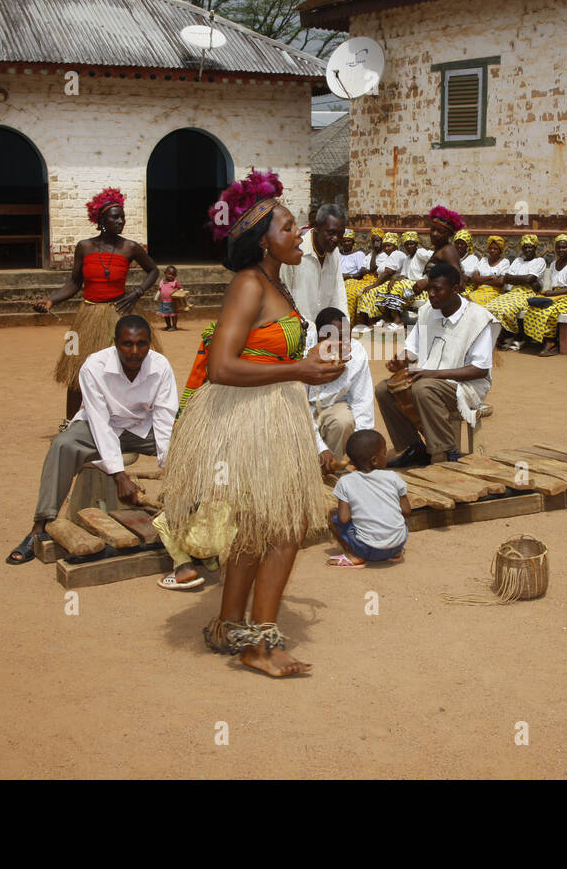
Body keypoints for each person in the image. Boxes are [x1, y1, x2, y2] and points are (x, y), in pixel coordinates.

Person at [163, 168, 346, 677]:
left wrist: (308, 360)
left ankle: (228, 625)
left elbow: (262, 352)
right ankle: (261, 646)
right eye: (286, 228)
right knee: (285, 527)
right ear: (261, 240)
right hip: (248, 418)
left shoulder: (274, 283)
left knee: (257, 525)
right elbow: (221, 366)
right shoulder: (249, 283)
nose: (298, 235)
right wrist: (299, 369)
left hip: (269, 414)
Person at [5, 315, 178, 564]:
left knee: (185, 445)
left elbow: (164, 419)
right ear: (115, 342)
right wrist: (120, 476)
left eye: (141, 344)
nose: (134, 351)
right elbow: (100, 422)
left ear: (150, 344)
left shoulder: (160, 366)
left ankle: (186, 517)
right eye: (127, 344)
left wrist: (168, 462)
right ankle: (39, 527)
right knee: (63, 445)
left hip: (142, 429)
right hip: (97, 427)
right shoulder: (94, 366)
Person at [36, 188, 162, 427]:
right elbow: (74, 282)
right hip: (89, 315)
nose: (120, 221)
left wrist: (137, 293)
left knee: (128, 366)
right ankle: (71, 422)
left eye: (122, 217)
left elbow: (153, 270)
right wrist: (51, 300)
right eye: (115, 217)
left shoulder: (130, 247)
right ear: (101, 221)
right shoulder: (84, 247)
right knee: (77, 367)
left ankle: (129, 421)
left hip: (120, 314)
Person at [377, 263, 500, 467]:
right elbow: (413, 349)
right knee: (384, 389)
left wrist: (433, 374)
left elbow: (480, 369)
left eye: (437, 290)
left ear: (455, 289)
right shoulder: (427, 311)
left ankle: (445, 451)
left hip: (466, 389)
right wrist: (401, 359)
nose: (431, 295)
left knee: (423, 388)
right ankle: (414, 448)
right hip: (429, 379)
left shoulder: (478, 318)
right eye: (429, 289)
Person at [327, 429, 411, 569]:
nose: (386, 456)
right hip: (398, 543)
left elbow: (343, 519)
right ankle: (395, 553)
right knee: (400, 519)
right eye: (384, 453)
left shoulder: (345, 481)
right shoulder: (393, 477)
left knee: (332, 516)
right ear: (375, 460)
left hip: (366, 549)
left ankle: (354, 555)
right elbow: (406, 511)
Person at [308, 306, 376, 474]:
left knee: (343, 421)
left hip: (334, 406)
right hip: (303, 409)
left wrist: (359, 444)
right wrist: (320, 448)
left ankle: (335, 472)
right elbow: (300, 410)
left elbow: (362, 400)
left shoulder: (357, 351)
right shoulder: (303, 352)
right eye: (340, 340)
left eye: (348, 338)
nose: (347, 346)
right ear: (321, 338)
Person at [281, 203, 347, 333]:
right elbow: (284, 300)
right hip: (296, 332)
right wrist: (311, 330)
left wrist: (344, 327)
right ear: (316, 226)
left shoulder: (334, 253)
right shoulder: (293, 252)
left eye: (340, 234)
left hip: (325, 334)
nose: (336, 239)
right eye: (331, 233)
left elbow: (338, 295)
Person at [522, 234, 567, 356]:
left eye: (564, 247)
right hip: (556, 295)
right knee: (533, 307)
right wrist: (550, 294)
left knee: (551, 310)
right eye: (558, 247)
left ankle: (551, 343)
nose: (561, 250)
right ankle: (542, 339)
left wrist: (553, 293)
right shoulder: (553, 264)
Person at [487, 233, 547, 350]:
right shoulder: (518, 260)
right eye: (525, 247)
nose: (527, 249)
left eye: (530, 247)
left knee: (506, 309)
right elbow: (507, 278)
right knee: (490, 307)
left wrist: (521, 279)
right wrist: (526, 279)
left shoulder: (540, 261)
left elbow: (530, 280)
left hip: (529, 293)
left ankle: (517, 335)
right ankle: (508, 334)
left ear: (535, 247)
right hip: (513, 292)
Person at [354, 232, 412, 330]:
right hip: (385, 282)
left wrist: (373, 285)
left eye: (389, 246)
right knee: (367, 292)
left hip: (393, 282)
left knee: (371, 291)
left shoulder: (397, 254)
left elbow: (387, 272)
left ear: (395, 246)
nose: (386, 249)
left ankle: (383, 321)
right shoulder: (389, 256)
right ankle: (375, 321)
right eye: (384, 246)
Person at [468, 236, 510, 307]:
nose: (492, 250)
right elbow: (474, 278)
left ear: (500, 250)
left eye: (495, 249)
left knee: (473, 304)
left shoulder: (505, 262)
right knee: (465, 301)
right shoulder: (483, 260)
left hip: (494, 292)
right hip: (479, 290)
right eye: (490, 248)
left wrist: (480, 280)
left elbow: (500, 282)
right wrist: (490, 277)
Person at [337, 230, 368, 318]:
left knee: (344, 294)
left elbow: (360, 273)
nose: (346, 243)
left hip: (352, 280)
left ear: (353, 242)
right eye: (344, 241)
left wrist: (347, 276)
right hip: (337, 279)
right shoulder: (337, 253)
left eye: (349, 241)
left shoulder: (358, 254)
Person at [156, 265, 182, 331]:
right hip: (164, 302)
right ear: (165, 273)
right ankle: (168, 325)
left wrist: (181, 294)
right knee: (166, 315)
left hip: (172, 302)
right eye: (169, 274)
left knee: (173, 314)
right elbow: (159, 290)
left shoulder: (175, 282)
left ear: (175, 275)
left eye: (173, 275)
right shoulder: (161, 282)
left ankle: (174, 326)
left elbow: (180, 289)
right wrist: (156, 296)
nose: (171, 276)